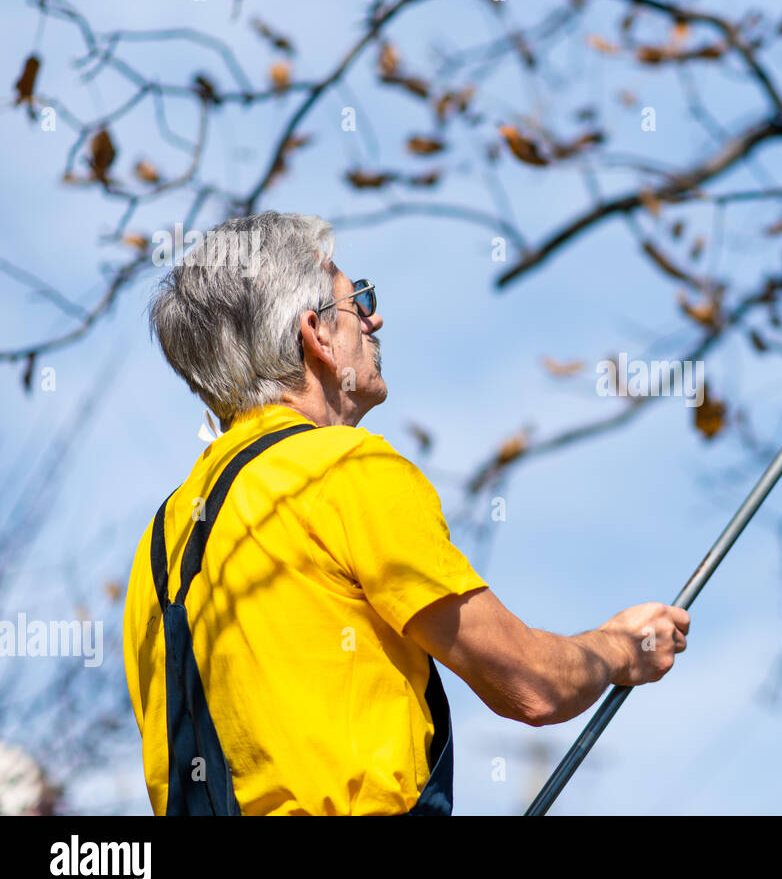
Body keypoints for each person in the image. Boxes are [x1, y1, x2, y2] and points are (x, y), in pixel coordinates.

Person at [123, 211, 689, 815]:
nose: (374, 318)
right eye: (357, 300)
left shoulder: (162, 543)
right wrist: (620, 648)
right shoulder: (340, 469)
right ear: (315, 334)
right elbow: (530, 684)